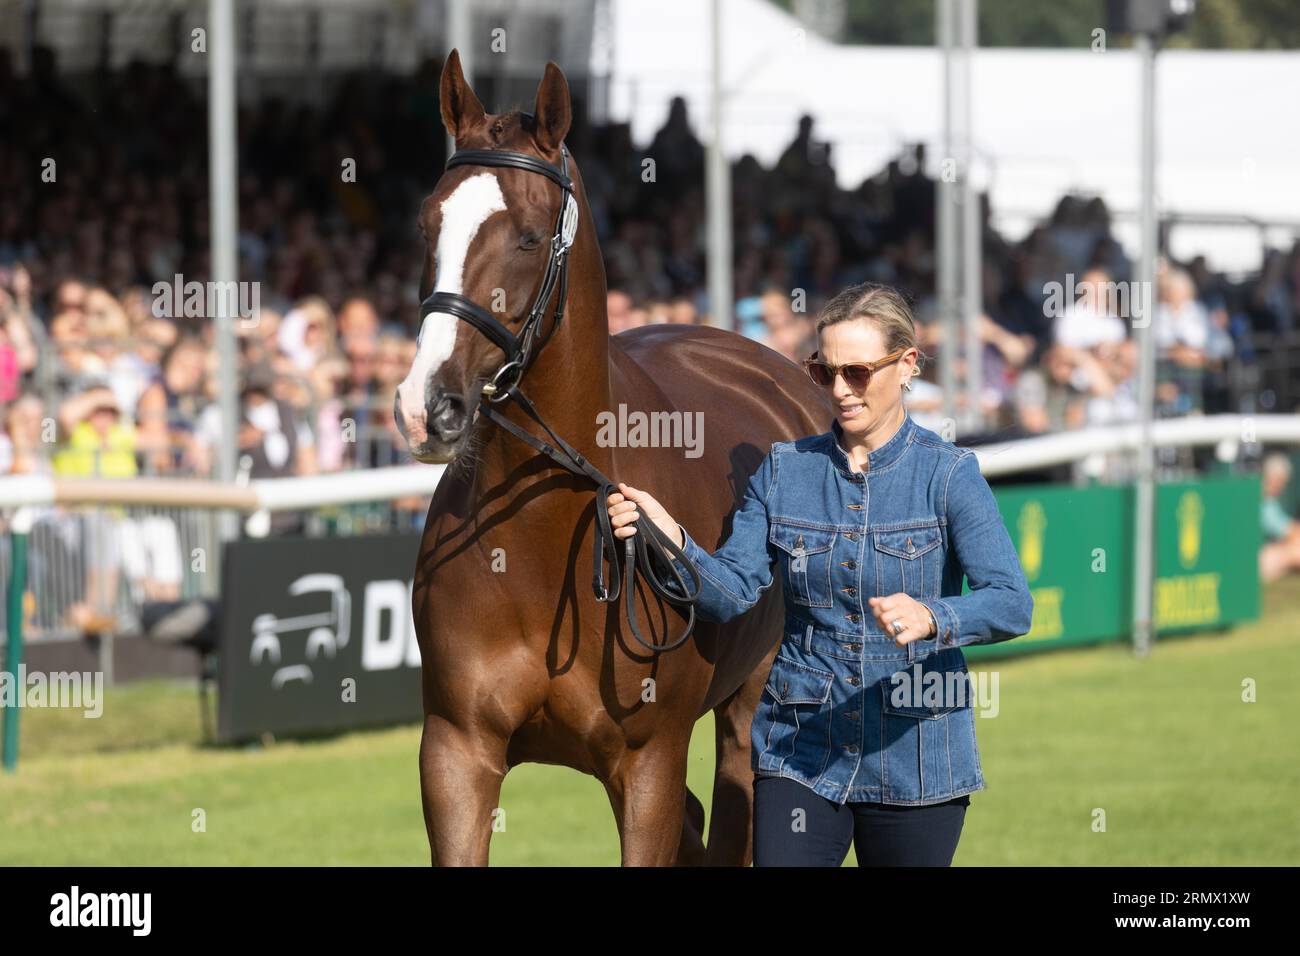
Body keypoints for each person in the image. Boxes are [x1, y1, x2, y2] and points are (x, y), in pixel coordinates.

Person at [605, 283, 1033, 867]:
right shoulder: (784, 471)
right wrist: (673, 539)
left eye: (857, 372)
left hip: (919, 756)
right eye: (823, 371)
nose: (838, 390)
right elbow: (731, 594)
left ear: (907, 364)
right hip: (798, 753)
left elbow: (1011, 602)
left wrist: (935, 615)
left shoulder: (950, 473)